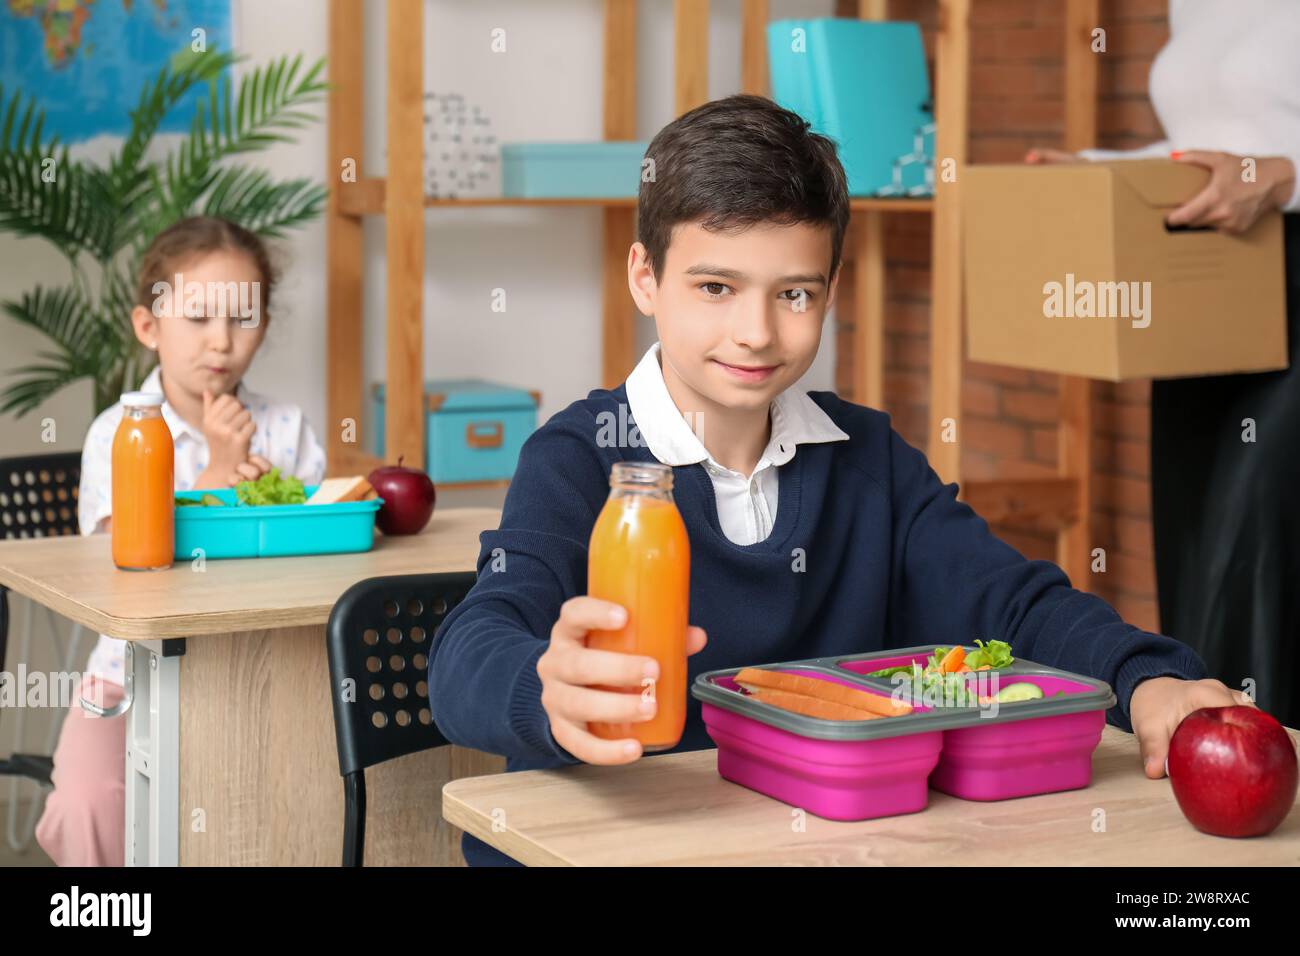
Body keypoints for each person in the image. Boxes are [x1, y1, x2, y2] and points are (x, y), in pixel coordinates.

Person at [430, 94, 1252, 867]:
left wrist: (1146, 679)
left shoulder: (868, 458)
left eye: (794, 293)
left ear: (830, 291)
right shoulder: (577, 459)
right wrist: (543, 689)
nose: (754, 333)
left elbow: (1011, 604)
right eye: (715, 288)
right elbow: (472, 645)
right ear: (645, 276)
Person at [1027, 0, 1300, 730]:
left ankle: (1265, 759)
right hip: (1214, 291)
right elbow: (1206, 153)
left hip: (1293, 276)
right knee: (1194, 539)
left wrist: (1283, 177)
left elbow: (1267, 157)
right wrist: (1099, 171)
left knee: (1258, 544)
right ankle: (1208, 754)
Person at [34, 216, 327, 865]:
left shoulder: (286, 429)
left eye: (242, 318)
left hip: (266, 670)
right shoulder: (120, 434)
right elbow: (128, 570)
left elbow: (313, 558)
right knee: (88, 802)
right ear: (149, 326)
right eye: (198, 318)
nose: (221, 342)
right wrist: (220, 476)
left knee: (280, 802)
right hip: (126, 678)